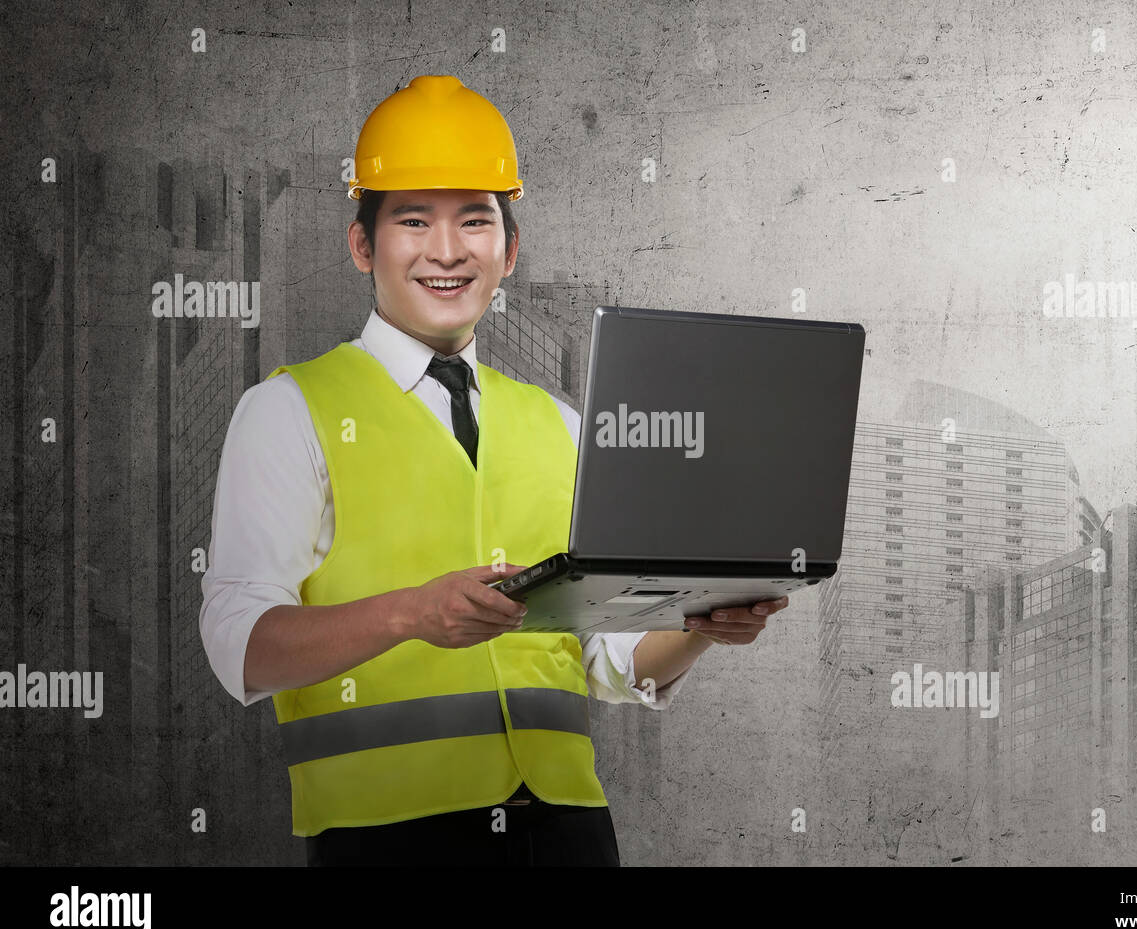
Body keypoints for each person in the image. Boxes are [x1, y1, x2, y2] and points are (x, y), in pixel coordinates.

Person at [199, 75, 788, 867]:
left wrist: (698, 625)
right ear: (362, 244)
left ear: (508, 251)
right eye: (414, 220)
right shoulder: (288, 412)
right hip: (386, 843)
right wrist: (410, 614)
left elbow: (605, 659)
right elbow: (240, 645)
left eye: (474, 221)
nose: (447, 251)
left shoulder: (562, 424)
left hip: (571, 836)